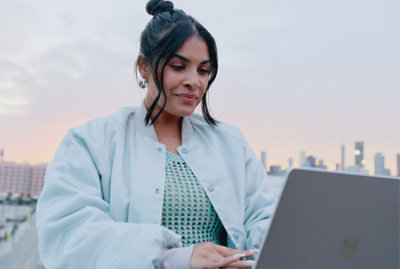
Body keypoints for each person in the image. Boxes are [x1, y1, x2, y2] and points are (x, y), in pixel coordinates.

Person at [36, 0, 276, 268]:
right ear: (144, 67)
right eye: (178, 66)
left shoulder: (231, 143)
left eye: (203, 70)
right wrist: (176, 258)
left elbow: (264, 221)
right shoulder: (90, 142)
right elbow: (71, 236)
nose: (194, 81)